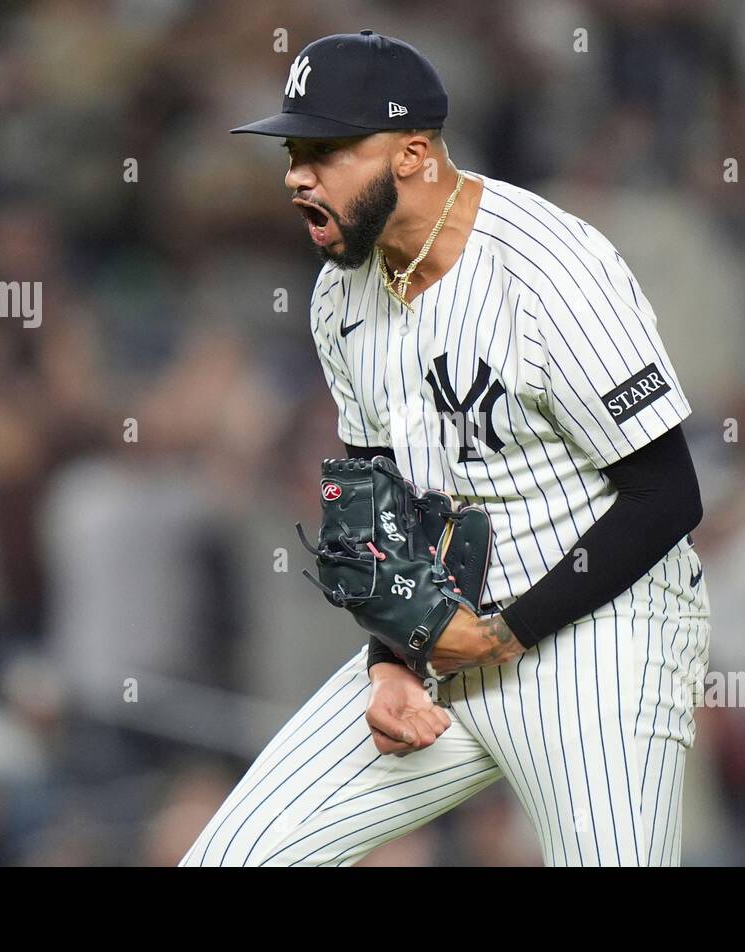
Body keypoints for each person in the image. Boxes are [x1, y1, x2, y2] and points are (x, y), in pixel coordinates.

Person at [182, 30, 710, 866]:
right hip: (444, 642)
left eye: (325, 150)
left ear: (414, 154)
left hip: (601, 640)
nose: (295, 175)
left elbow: (669, 496)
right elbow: (376, 494)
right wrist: (392, 661)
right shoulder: (339, 295)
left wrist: (504, 635)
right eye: (293, 150)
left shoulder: (552, 270)